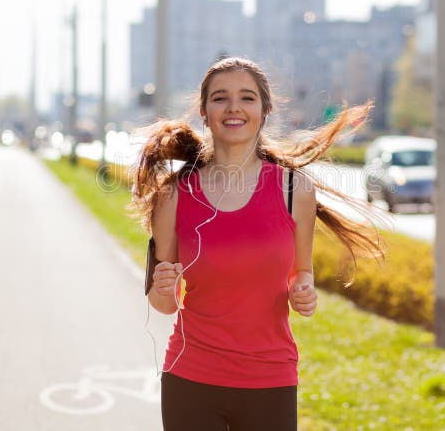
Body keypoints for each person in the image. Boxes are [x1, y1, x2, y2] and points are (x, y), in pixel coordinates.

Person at [131, 57, 387, 431]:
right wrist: (164, 287)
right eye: (221, 98)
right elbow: (163, 303)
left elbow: (302, 273)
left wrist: (304, 292)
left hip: (270, 377)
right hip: (192, 376)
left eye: (247, 98)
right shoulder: (174, 196)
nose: (234, 107)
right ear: (204, 112)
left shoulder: (294, 190)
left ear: (264, 111)